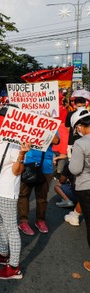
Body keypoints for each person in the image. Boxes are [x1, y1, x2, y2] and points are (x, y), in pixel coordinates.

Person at [0, 105, 31, 280]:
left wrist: (21, 155)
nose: (0, 119)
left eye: (4, 117)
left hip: (7, 191)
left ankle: (14, 267)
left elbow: (17, 171)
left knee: (11, 228)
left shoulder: (19, 142)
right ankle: (3, 255)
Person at [18, 115, 60, 235]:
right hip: (28, 163)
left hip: (45, 166)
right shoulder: (26, 125)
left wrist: (45, 127)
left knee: (42, 197)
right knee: (23, 194)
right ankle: (23, 221)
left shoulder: (51, 126)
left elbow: (56, 140)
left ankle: (40, 220)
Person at [68, 108, 90, 272]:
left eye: (77, 128)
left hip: (86, 186)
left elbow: (75, 169)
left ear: (81, 126)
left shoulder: (81, 143)